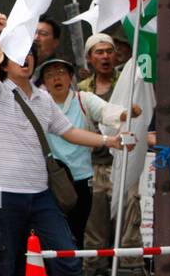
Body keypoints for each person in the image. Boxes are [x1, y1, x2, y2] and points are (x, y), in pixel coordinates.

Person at [0, 14, 125, 276]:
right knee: (3, 263)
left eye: (30, 52)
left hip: (41, 193)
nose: (26, 58)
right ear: (5, 62)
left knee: (67, 255)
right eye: (17, 54)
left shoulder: (43, 99)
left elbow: (69, 131)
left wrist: (109, 142)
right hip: (2, 191)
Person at [37, 57, 135, 247]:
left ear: (70, 77)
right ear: (44, 82)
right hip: (50, 178)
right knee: (51, 230)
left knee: (78, 228)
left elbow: (105, 111)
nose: (56, 78)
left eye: (61, 73)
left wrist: (124, 114)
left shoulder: (83, 99)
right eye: (49, 75)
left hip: (82, 175)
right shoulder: (41, 103)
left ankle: (75, 273)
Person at [79, 32, 128, 276]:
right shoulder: (82, 90)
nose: (105, 56)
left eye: (109, 51)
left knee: (130, 211)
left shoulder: (129, 83)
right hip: (94, 161)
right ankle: (96, 268)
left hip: (125, 160)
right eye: (99, 52)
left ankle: (135, 268)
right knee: (95, 216)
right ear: (90, 58)